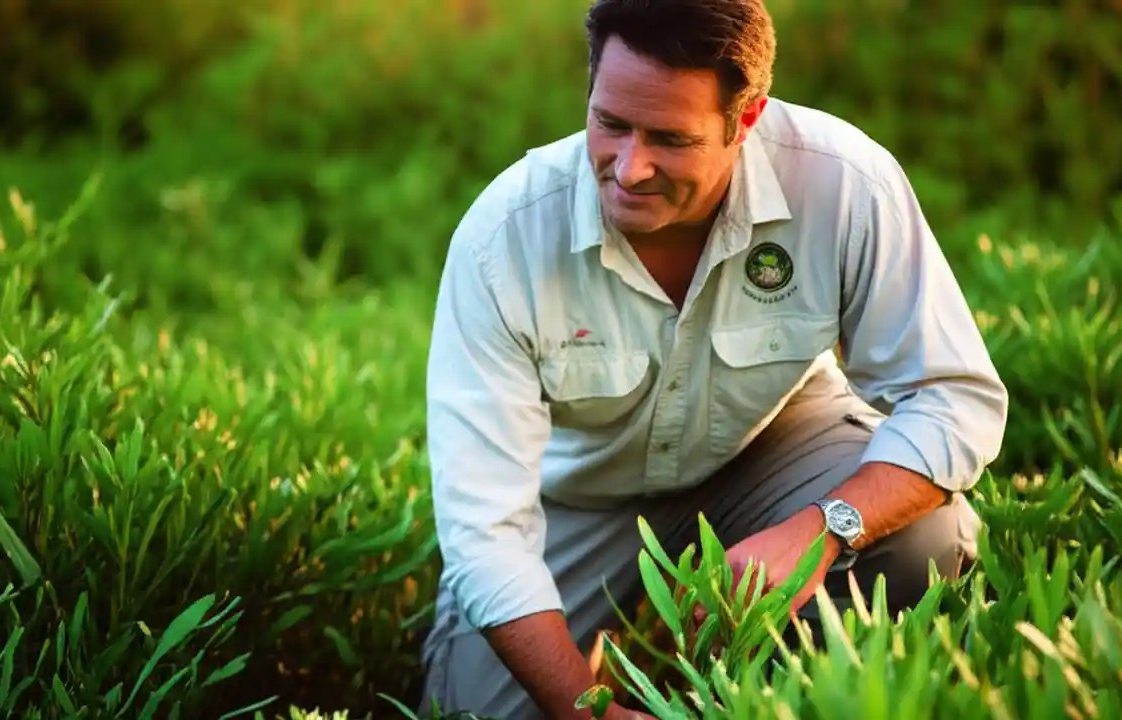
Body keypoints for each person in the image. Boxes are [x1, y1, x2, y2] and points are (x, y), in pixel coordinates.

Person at [417, 1, 1008, 718]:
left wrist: (821, 530)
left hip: (774, 444)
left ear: (746, 118)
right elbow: (486, 530)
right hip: (580, 496)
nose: (630, 169)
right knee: (482, 710)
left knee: (924, 544)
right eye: (610, 124)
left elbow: (955, 397)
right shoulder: (502, 239)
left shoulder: (847, 182)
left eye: (669, 138)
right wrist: (582, 709)